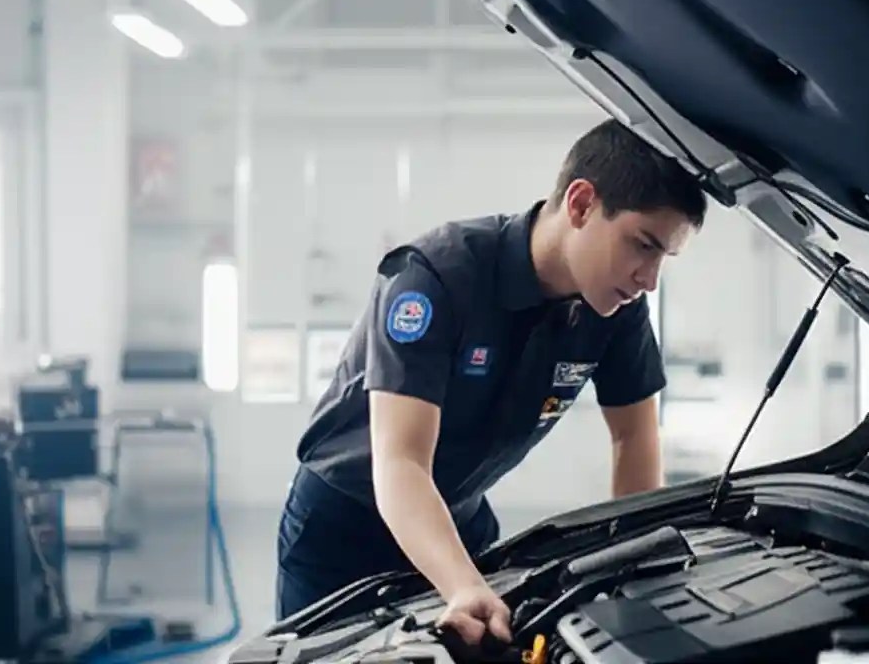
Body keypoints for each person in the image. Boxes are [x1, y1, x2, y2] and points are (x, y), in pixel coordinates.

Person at [276, 118, 708, 645]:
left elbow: (634, 435)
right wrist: (462, 586)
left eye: (665, 256)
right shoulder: (435, 275)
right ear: (581, 205)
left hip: (460, 519)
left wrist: (637, 564)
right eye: (643, 244)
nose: (650, 278)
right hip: (345, 527)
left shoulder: (615, 306)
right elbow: (402, 461)